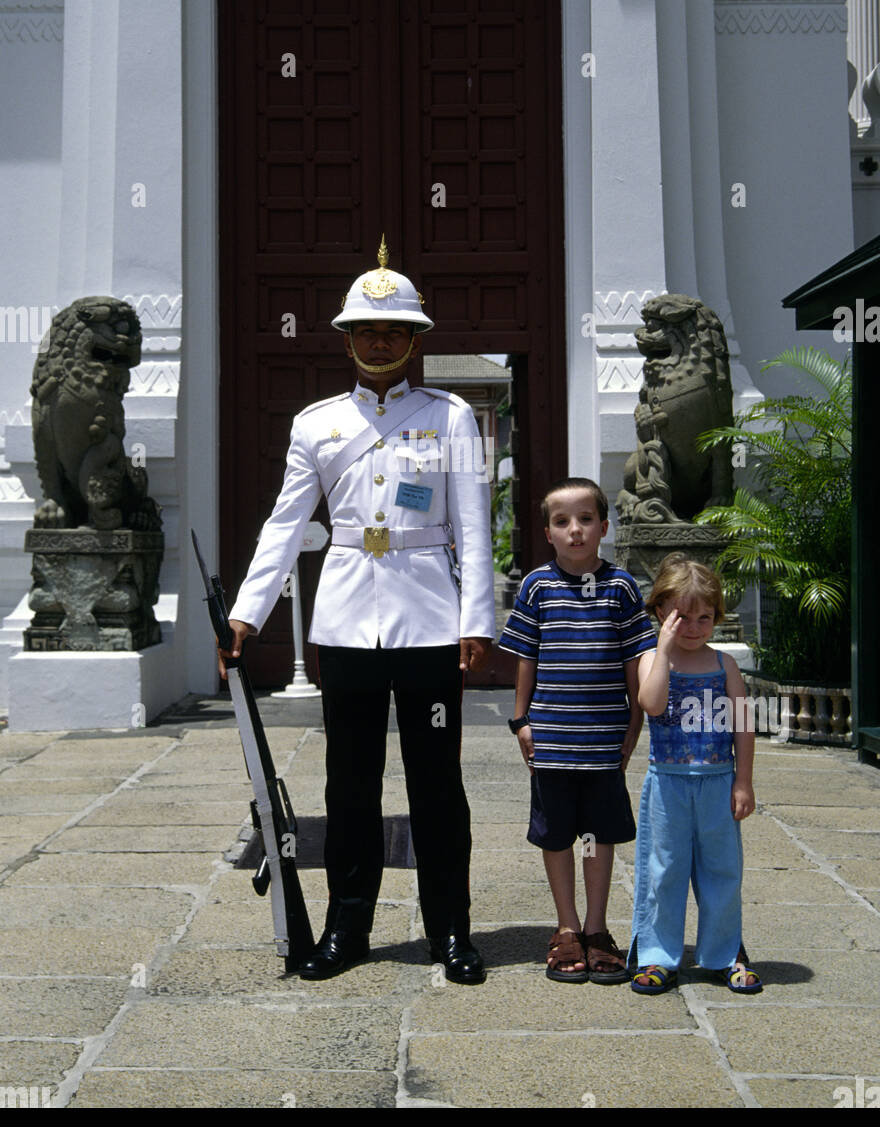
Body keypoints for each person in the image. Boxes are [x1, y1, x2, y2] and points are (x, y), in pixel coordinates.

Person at [217, 240, 496, 984]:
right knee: (350, 783)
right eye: (368, 331)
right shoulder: (316, 424)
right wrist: (246, 614)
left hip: (430, 620)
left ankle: (451, 930)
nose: (381, 341)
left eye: (395, 331)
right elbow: (284, 525)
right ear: (347, 339)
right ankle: (349, 927)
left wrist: (478, 620)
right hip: (345, 625)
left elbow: (475, 522)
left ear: (414, 340)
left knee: (437, 782)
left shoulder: (453, 416)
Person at [498, 478, 656, 983]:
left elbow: (636, 661)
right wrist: (521, 721)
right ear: (548, 531)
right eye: (563, 522)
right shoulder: (537, 587)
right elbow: (527, 657)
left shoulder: (621, 587)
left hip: (603, 742)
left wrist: (635, 725)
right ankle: (565, 926)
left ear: (604, 527)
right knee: (558, 834)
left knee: (595, 834)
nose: (575, 530)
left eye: (586, 519)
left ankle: (595, 928)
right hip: (551, 739)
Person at [628, 554, 762, 995]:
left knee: (723, 870)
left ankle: (726, 953)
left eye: (705, 617)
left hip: (718, 781)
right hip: (667, 784)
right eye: (682, 617)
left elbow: (743, 723)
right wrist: (664, 650)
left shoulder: (725, 666)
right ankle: (657, 955)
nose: (694, 627)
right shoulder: (652, 661)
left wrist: (743, 780)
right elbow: (651, 704)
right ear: (660, 612)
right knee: (663, 871)